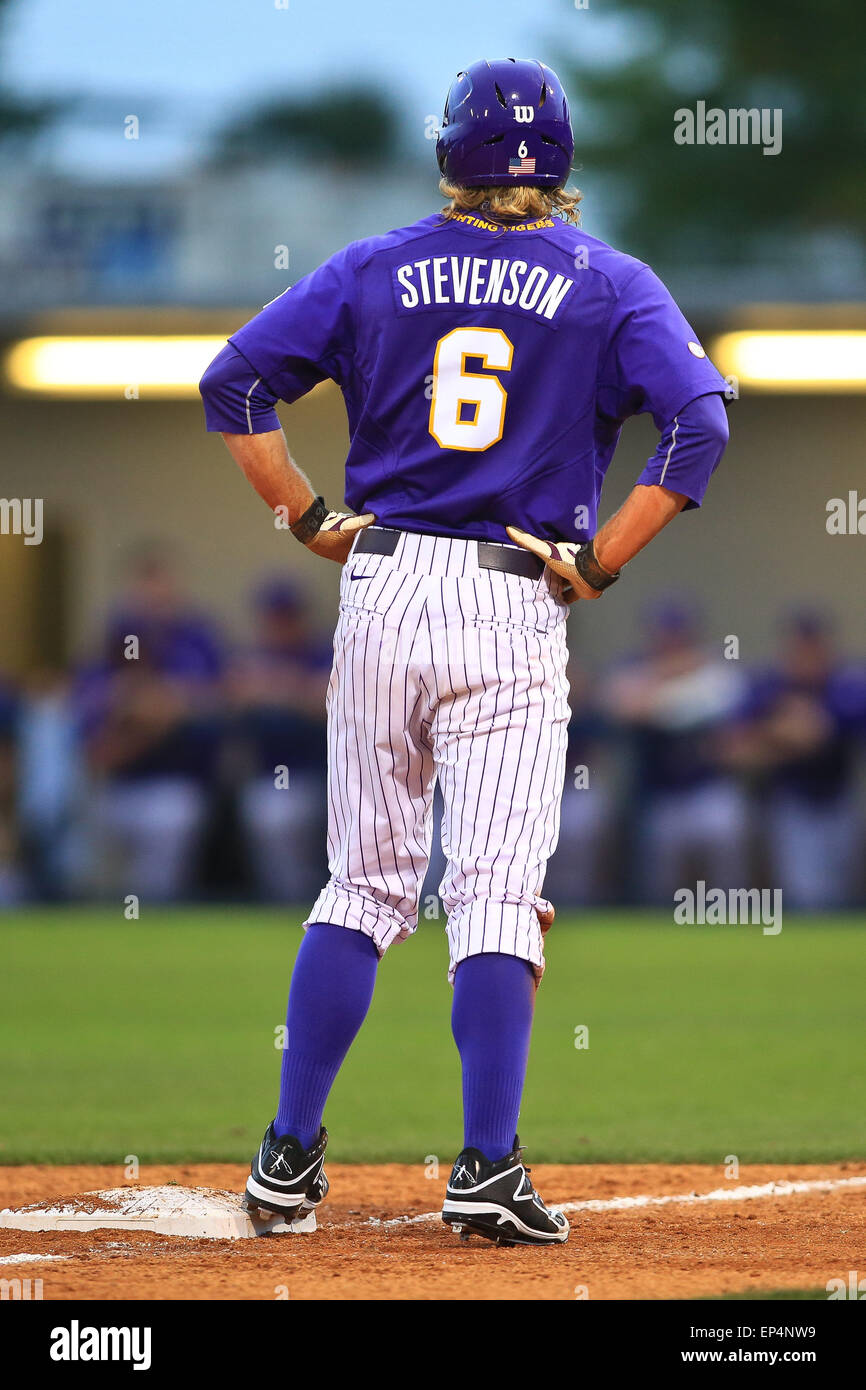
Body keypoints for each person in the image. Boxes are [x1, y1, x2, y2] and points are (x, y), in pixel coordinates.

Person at [200, 57, 730, 1246]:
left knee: (360, 885)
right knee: (492, 895)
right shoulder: (608, 277)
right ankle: (484, 1166)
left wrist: (301, 514)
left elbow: (231, 383)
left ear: (449, 154)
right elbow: (698, 424)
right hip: (508, 589)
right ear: (562, 159)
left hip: (385, 581)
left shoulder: (376, 265)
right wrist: (599, 566)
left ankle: (287, 1159)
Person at [604, 600, 748, 903]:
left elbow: (724, 709)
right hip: (659, 794)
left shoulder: (717, 670)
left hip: (709, 787)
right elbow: (625, 708)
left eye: (676, 633)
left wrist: (662, 700)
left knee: (726, 847)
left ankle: (732, 922)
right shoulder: (632, 667)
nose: (669, 640)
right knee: (662, 883)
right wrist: (673, 682)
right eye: (663, 632)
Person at [732, 609, 866, 909]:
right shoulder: (767, 685)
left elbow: (819, 732)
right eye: (799, 646)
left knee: (841, 891)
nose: (806, 654)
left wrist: (811, 727)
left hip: (839, 799)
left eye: (813, 645)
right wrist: (779, 731)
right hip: (789, 800)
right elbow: (735, 749)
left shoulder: (846, 683)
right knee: (807, 894)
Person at [229, 578, 330, 901]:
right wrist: (293, 689)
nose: (282, 624)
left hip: (329, 775)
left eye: (288, 616)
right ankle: (288, 903)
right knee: (274, 816)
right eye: (275, 617)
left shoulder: (321, 651)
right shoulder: (251, 655)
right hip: (272, 775)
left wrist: (277, 687)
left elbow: (327, 701)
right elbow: (233, 696)